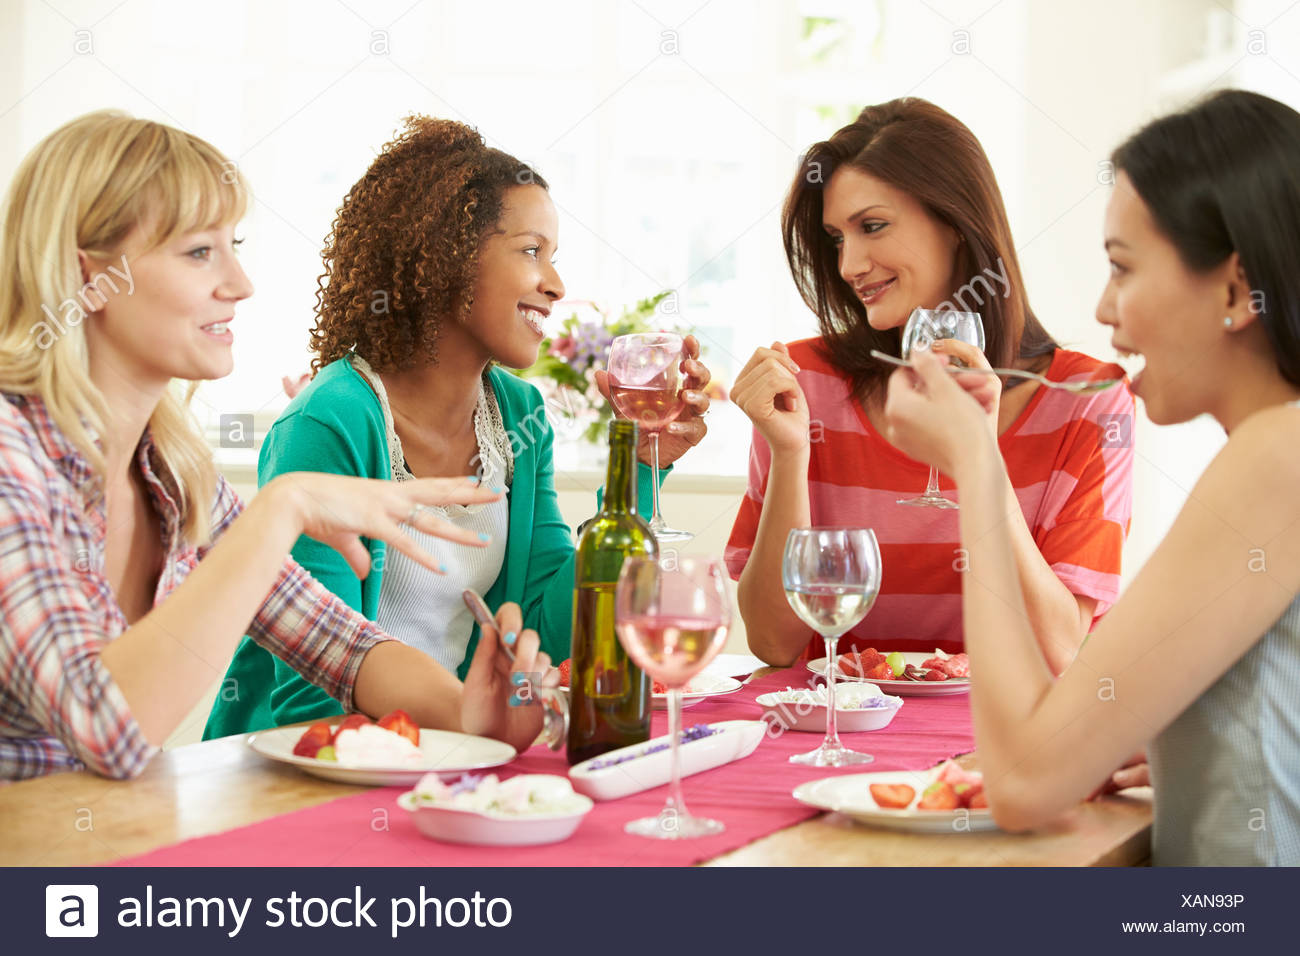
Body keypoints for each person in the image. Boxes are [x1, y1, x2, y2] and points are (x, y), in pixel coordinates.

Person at [0, 111, 553, 781]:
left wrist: (468, 715)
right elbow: (104, 727)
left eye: (232, 245)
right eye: (199, 252)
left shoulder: (171, 470)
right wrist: (281, 508)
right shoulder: (12, 458)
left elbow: (337, 644)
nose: (239, 284)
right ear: (90, 276)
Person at [882, 89, 1300, 865]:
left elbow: (1022, 783)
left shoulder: (1276, 457)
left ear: (1238, 289)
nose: (1105, 310)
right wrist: (1178, 742)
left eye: (1122, 268)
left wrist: (976, 463)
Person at [204, 117, 710, 738]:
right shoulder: (330, 421)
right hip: (307, 769)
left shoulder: (519, 418)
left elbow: (548, 629)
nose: (555, 284)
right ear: (445, 257)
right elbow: (311, 700)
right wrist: (464, 742)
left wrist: (640, 460)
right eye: (531, 251)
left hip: (450, 745)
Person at [726, 98, 1134, 674]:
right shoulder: (801, 384)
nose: (848, 266)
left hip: (998, 746)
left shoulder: (1089, 401)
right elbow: (774, 642)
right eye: (838, 238)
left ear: (956, 223)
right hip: (831, 734)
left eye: (872, 227)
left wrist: (978, 456)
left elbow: (1058, 651)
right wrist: (791, 453)